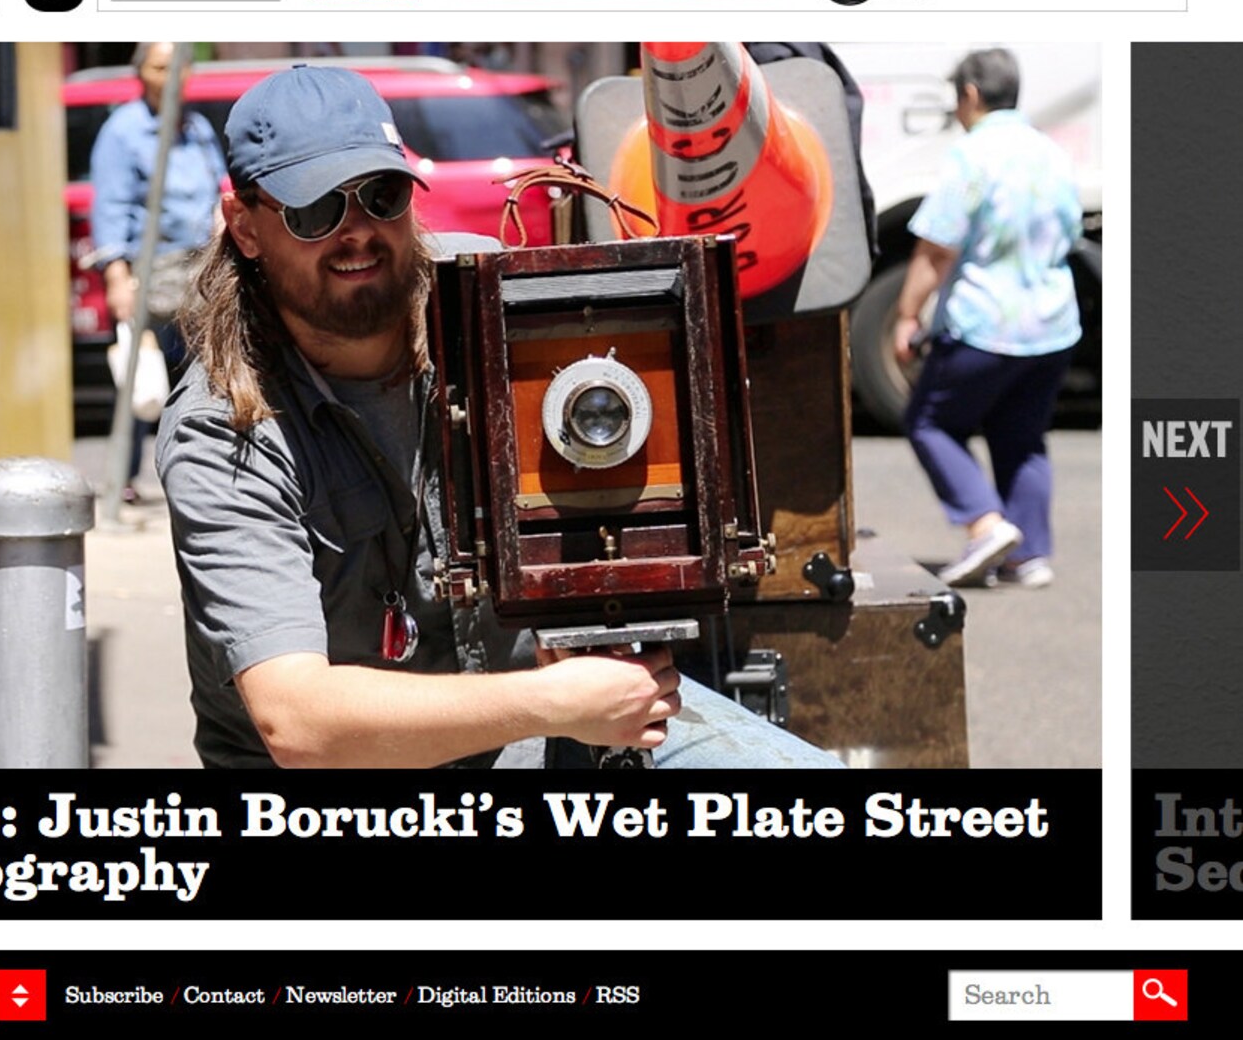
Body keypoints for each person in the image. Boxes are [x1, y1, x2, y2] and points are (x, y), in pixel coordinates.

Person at [158, 64, 841, 770]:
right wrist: (555, 699)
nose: (356, 232)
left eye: (381, 196)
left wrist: (587, 622)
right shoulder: (224, 428)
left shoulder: (489, 302)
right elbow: (298, 723)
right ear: (245, 227)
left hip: (539, 729)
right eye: (314, 211)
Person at [894, 48, 1082, 588]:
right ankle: (1030, 556)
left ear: (971, 95)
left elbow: (936, 248)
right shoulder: (1053, 153)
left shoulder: (972, 156)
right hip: (1052, 323)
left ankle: (985, 524)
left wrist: (907, 316)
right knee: (1021, 435)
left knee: (929, 422)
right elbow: (1069, 233)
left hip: (985, 322)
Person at [89, 41, 227, 500]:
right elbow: (110, 205)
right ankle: (121, 480)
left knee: (208, 372)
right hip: (150, 269)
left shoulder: (198, 128)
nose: (172, 77)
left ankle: (203, 471)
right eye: (160, 67)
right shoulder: (123, 131)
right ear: (141, 74)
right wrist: (117, 276)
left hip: (198, 267)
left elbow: (215, 191)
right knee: (140, 375)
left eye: (179, 68)